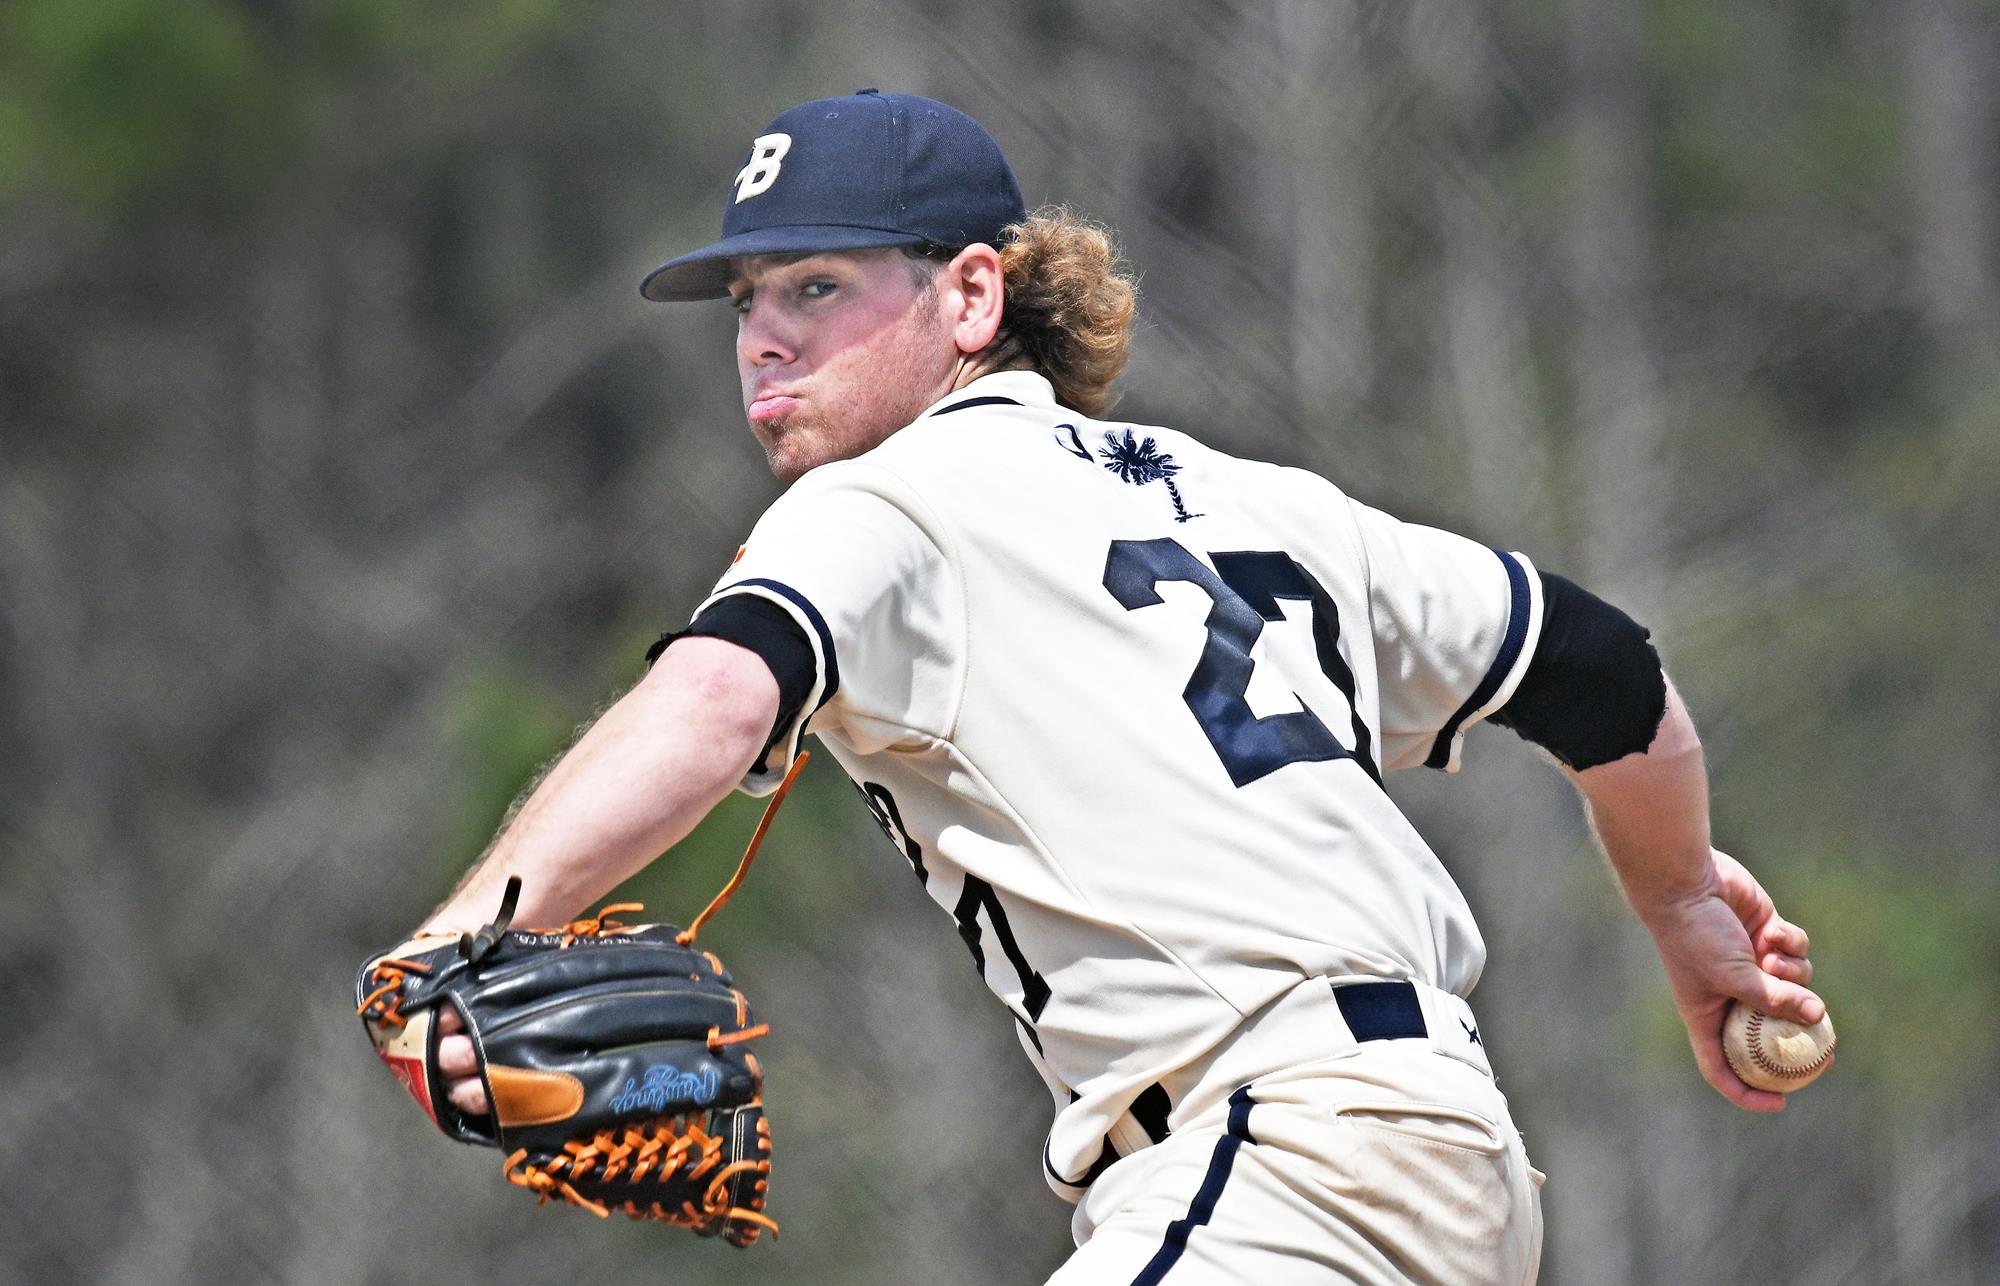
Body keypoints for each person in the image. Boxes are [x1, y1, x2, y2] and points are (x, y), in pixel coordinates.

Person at [414, 90, 1823, 1283]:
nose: (764, 337)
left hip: (1276, 1172)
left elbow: (715, 704)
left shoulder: (886, 502)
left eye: (817, 286)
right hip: (1440, 1162)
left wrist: (460, 937)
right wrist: (1686, 899)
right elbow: (1595, 663)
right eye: (748, 300)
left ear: (973, 294)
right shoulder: (1262, 500)